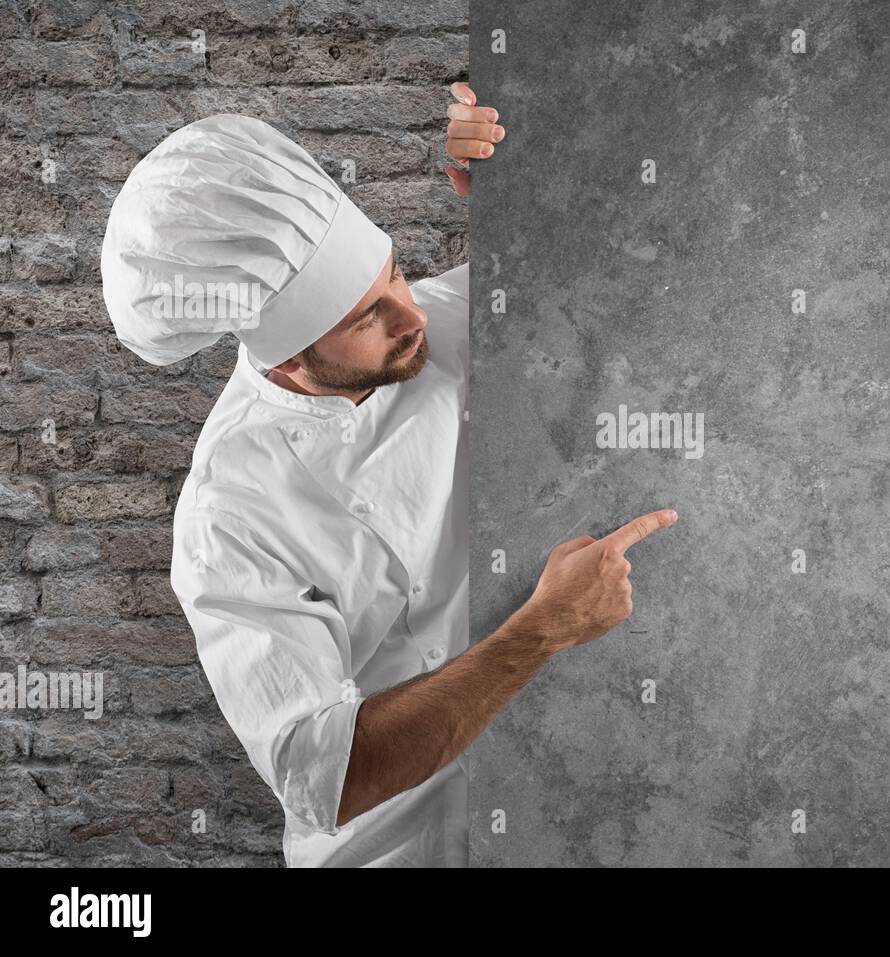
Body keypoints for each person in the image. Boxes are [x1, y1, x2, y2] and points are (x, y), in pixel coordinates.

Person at [99, 82, 679, 867]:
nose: (411, 316)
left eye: (395, 274)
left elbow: (648, 236)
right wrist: (541, 630)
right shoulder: (229, 511)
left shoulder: (440, 324)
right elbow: (324, 776)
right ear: (290, 355)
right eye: (364, 317)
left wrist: (524, 183)